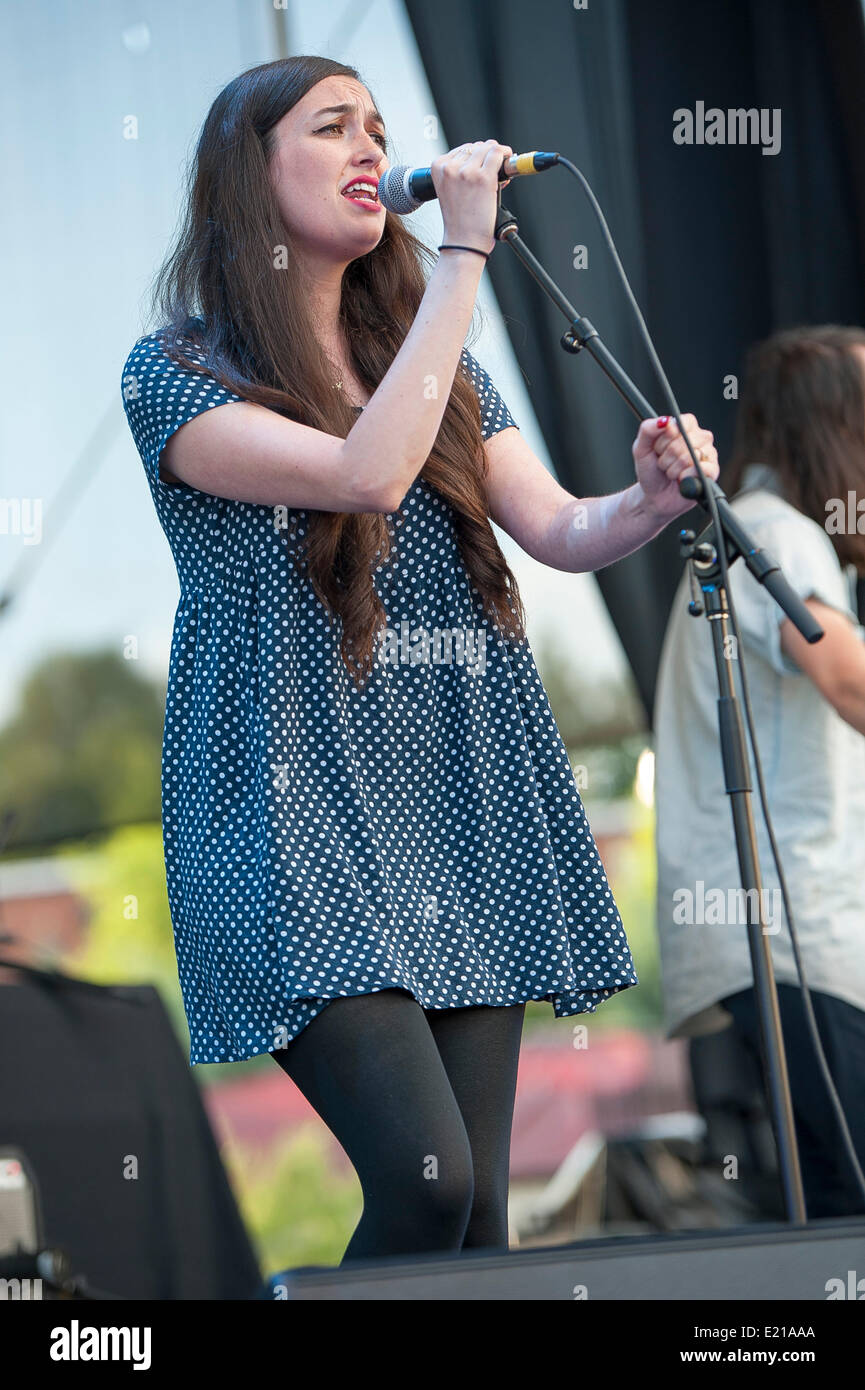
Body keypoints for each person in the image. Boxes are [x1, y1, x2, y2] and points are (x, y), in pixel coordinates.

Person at [121, 54, 718, 1263]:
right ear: (251, 172)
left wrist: (650, 501)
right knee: (425, 1176)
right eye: (330, 125)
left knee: (480, 1216)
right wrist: (463, 256)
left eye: (377, 125)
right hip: (294, 820)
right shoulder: (178, 374)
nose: (366, 146)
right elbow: (362, 474)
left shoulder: (437, 368)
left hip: (455, 801)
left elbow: (558, 527)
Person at [653, 324, 865, 1218]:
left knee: (828, 1202)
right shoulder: (772, 531)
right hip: (794, 935)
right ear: (834, 423)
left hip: (784, 937)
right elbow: (848, 677)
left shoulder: (767, 528)